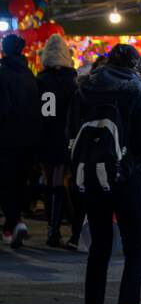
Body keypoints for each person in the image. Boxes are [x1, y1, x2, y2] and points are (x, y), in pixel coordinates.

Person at [67, 44, 141, 304]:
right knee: (135, 246)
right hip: (126, 176)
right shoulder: (137, 91)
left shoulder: (84, 89)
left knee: (100, 246)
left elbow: (69, 131)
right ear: (134, 66)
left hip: (92, 177)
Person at [36, 34, 79, 247]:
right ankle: (57, 228)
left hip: (45, 137)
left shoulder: (42, 81)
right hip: (65, 138)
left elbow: (44, 112)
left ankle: (52, 228)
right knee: (60, 180)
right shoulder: (72, 82)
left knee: (49, 179)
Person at [0, 33, 40, 247]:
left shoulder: (3, 74)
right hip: (30, 138)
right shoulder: (31, 76)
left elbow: (3, 108)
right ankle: (13, 223)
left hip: (7, 138)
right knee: (20, 181)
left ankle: (14, 223)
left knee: (6, 183)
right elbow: (45, 109)